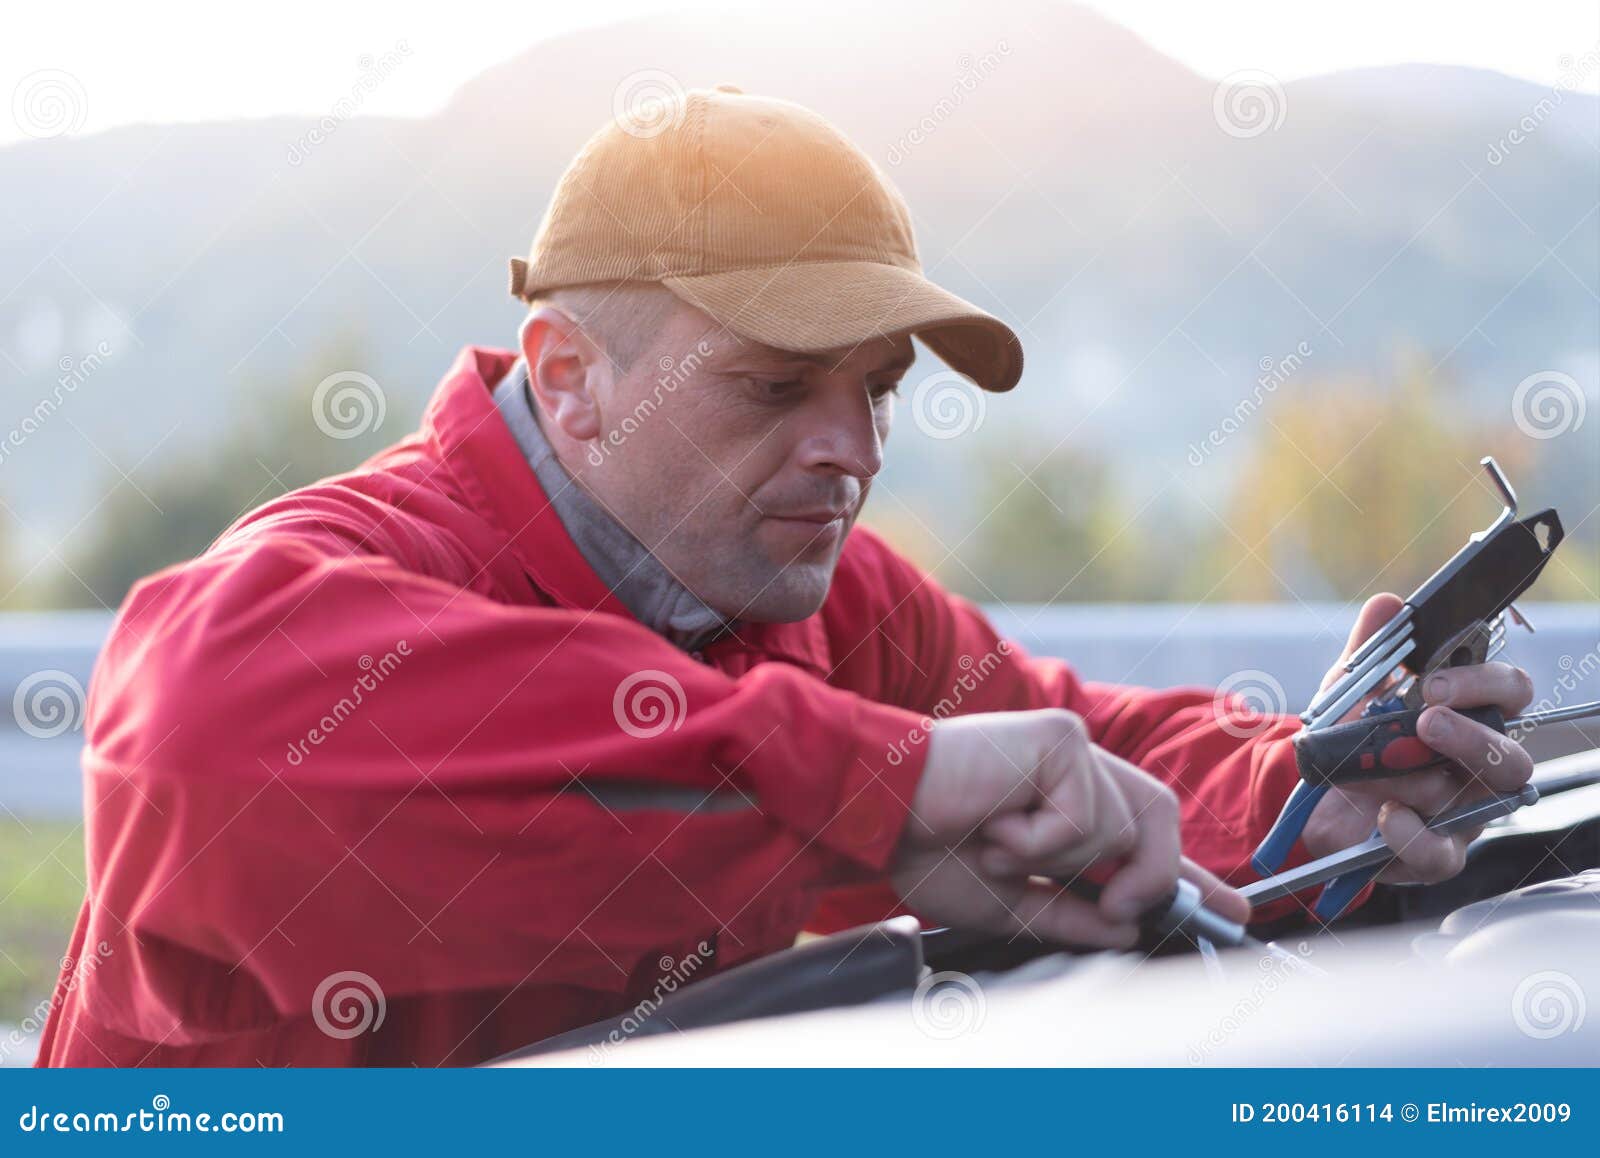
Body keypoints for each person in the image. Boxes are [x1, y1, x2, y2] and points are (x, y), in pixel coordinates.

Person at [37, 86, 1535, 1067]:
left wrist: (1301, 789)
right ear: (569, 382)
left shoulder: (807, 595)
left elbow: (1072, 741)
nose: (852, 451)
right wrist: (881, 788)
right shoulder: (341, 578)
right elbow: (194, 748)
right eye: (774, 388)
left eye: (877, 388)